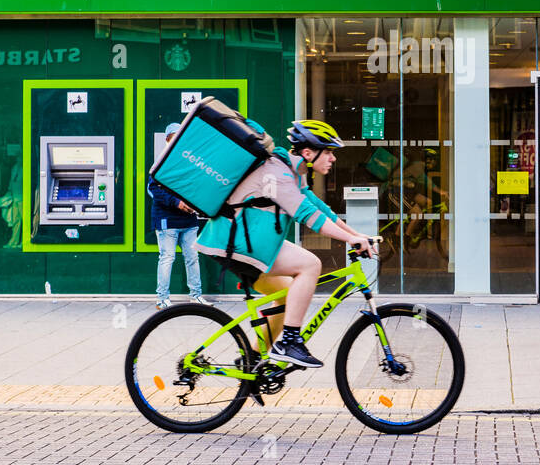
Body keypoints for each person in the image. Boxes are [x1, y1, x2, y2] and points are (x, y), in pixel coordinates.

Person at [197, 118, 374, 368]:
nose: (333, 159)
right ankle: (289, 342)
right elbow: (307, 215)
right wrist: (350, 239)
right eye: (329, 152)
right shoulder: (277, 173)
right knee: (310, 265)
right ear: (308, 153)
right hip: (236, 244)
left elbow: (320, 209)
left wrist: (357, 235)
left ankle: (252, 361)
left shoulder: (293, 173)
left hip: (250, 242)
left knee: (289, 296)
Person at [148, 122, 207, 310]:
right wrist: (178, 203)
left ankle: (196, 296)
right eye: (174, 138)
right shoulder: (161, 163)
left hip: (188, 219)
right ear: (167, 139)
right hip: (167, 220)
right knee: (167, 258)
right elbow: (153, 190)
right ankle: (162, 299)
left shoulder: (189, 162)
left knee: (192, 258)